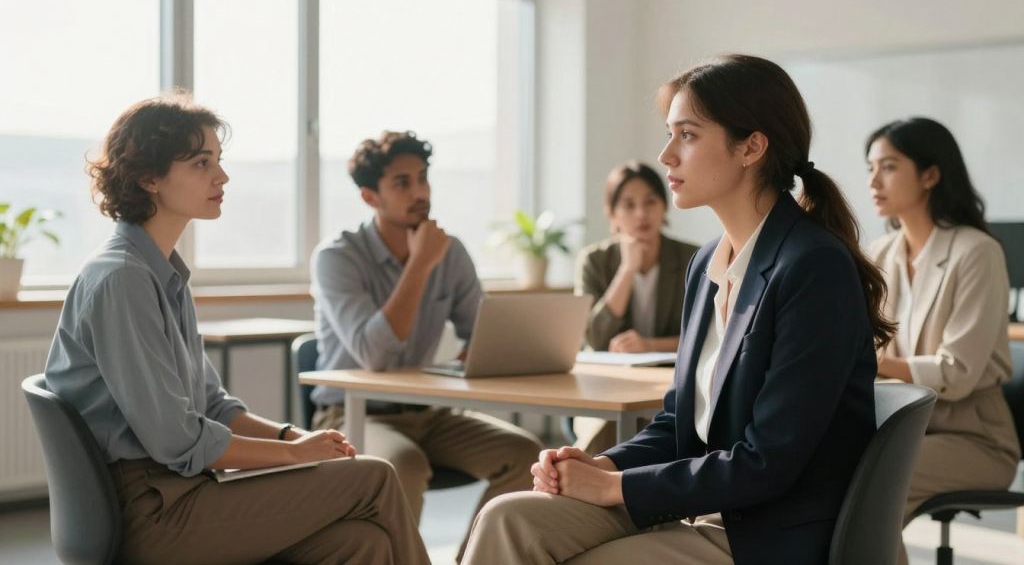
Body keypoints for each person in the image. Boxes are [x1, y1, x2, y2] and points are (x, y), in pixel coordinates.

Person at [462, 54, 896, 565]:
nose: (666, 155)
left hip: (766, 534)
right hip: (703, 507)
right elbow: (679, 424)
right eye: (670, 135)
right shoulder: (706, 264)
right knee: (506, 515)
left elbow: (768, 462)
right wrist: (599, 464)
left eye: (687, 135)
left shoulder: (812, 266)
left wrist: (613, 488)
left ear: (752, 146)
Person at [44, 93, 429, 565]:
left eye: (218, 161)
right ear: (149, 178)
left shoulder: (162, 274)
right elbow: (177, 440)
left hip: (181, 493)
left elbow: (212, 405)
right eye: (202, 163)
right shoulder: (122, 279)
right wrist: (295, 456)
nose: (222, 176)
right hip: (151, 515)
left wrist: (292, 438)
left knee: (361, 544)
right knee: (375, 478)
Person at [310, 130, 542, 560]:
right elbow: (373, 355)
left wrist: (485, 350)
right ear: (369, 196)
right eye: (402, 183)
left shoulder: (450, 253)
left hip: (428, 411)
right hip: (351, 413)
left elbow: (483, 332)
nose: (419, 192)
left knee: (526, 453)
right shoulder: (337, 258)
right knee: (404, 465)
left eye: (423, 178)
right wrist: (419, 265)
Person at [865, 117, 1021, 565]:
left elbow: (955, 372)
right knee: (843, 485)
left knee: (872, 486)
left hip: (974, 439)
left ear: (931, 174)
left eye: (889, 167)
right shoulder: (879, 255)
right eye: (870, 167)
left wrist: (873, 363)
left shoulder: (976, 252)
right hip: (899, 429)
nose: (873, 180)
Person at [573, 161, 699, 454]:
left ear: (664, 207)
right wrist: (627, 270)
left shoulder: (692, 257)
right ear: (612, 213)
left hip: (670, 384)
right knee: (604, 435)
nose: (641, 213)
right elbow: (594, 338)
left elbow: (706, 336)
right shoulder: (594, 261)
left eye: (650, 202)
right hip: (605, 386)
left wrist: (649, 345)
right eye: (628, 205)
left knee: (664, 437)